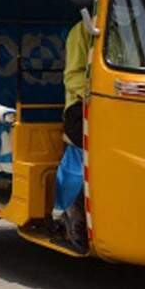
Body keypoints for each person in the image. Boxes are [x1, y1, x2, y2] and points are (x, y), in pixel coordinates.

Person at [54, 19, 90, 254]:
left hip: (117, 106)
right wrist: (95, 95)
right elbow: (73, 75)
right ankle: (66, 211)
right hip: (81, 106)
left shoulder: (126, 29)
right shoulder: (81, 31)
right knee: (78, 159)